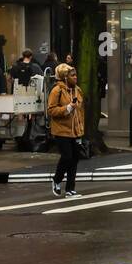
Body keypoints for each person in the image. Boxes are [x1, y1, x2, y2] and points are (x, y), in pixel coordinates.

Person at [46, 63, 85, 197]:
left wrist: (81, 128)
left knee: (75, 158)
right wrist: (67, 108)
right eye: (72, 75)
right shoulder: (57, 90)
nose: (75, 77)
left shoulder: (77, 90)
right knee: (67, 156)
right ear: (65, 77)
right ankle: (56, 180)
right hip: (61, 130)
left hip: (75, 130)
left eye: (75, 75)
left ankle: (70, 188)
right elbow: (51, 110)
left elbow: (81, 111)